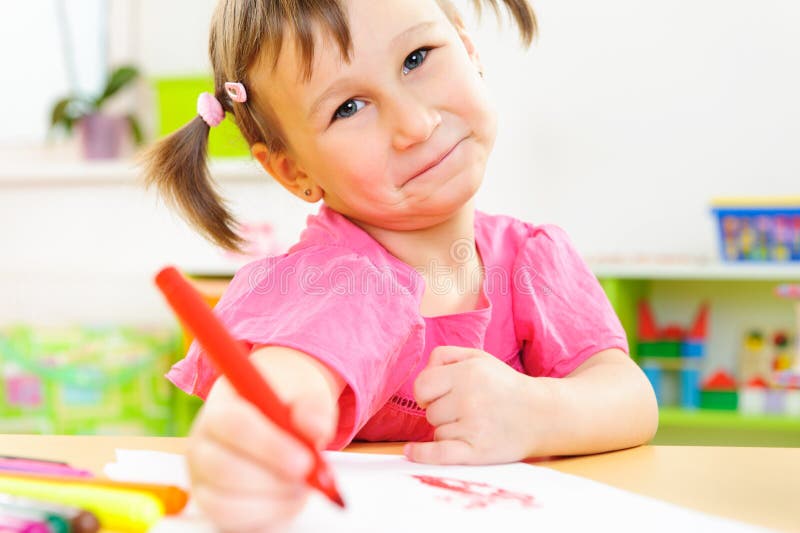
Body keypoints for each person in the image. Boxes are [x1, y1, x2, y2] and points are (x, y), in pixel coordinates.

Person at [144, 0, 658, 529]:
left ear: (467, 45)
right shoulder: (326, 280)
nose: (415, 123)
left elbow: (631, 398)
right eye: (348, 108)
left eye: (417, 57)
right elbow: (284, 377)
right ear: (291, 169)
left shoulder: (532, 259)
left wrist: (539, 413)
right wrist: (250, 437)